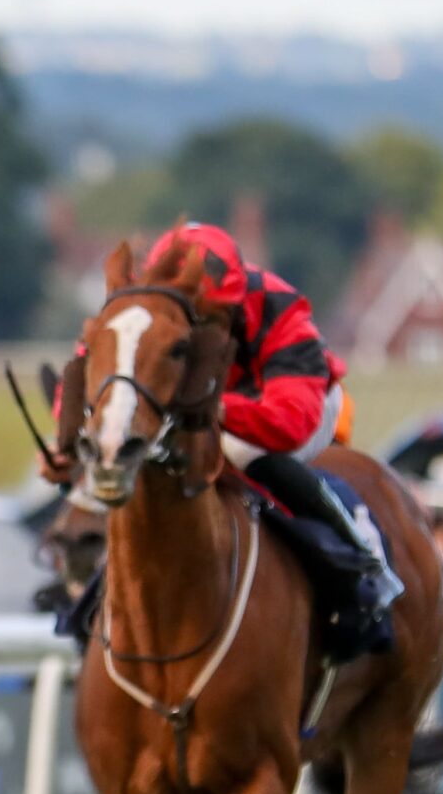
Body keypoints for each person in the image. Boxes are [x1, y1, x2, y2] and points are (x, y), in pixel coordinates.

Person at [124, 221, 400, 633]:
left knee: (243, 453)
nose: (206, 329)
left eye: (217, 315)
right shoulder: (139, 304)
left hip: (302, 407)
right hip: (207, 403)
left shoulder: (281, 308)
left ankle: (358, 560)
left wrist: (213, 407)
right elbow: (97, 368)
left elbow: (289, 423)